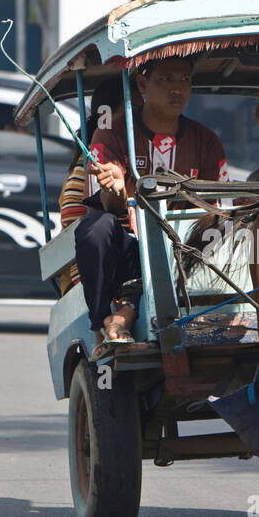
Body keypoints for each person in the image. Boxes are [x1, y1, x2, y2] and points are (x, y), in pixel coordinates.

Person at [75, 56, 228, 356]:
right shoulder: (110, 134)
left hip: (184, 251)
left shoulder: (206, 141)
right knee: (94, 229)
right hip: (127, 251)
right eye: (165, 79)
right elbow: (109, 206)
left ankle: (127, 313)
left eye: (184, 80)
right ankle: (99, 326)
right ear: (143, 83)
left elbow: (217, 210)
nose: (177, 89)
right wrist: (118, 187)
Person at [54, 77, 138, 294]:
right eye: (134, 112)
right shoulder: (92, 170)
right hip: (96, 279)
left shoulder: (133, 163)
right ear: (108, 119)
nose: (141, 122)